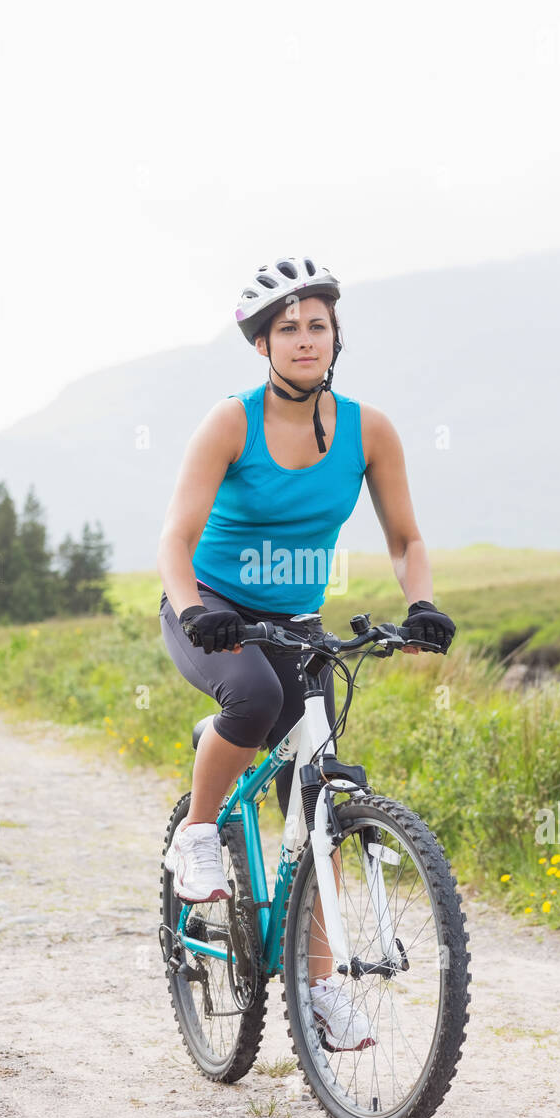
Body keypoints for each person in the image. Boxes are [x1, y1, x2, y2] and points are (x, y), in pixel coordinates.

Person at [156, 255, 455, 1049]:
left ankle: (320, 989)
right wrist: (195, 613)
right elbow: (176, 541)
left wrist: (419, 603)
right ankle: (198, 831)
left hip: (297, 620)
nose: (303, 339)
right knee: (252, 698)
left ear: (334, 337)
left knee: (312, 797)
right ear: (261, 345)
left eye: (316, 325)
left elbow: (406, 537)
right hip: (211, 608)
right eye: (286, 328)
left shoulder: (369, 430)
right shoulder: (231, 422)